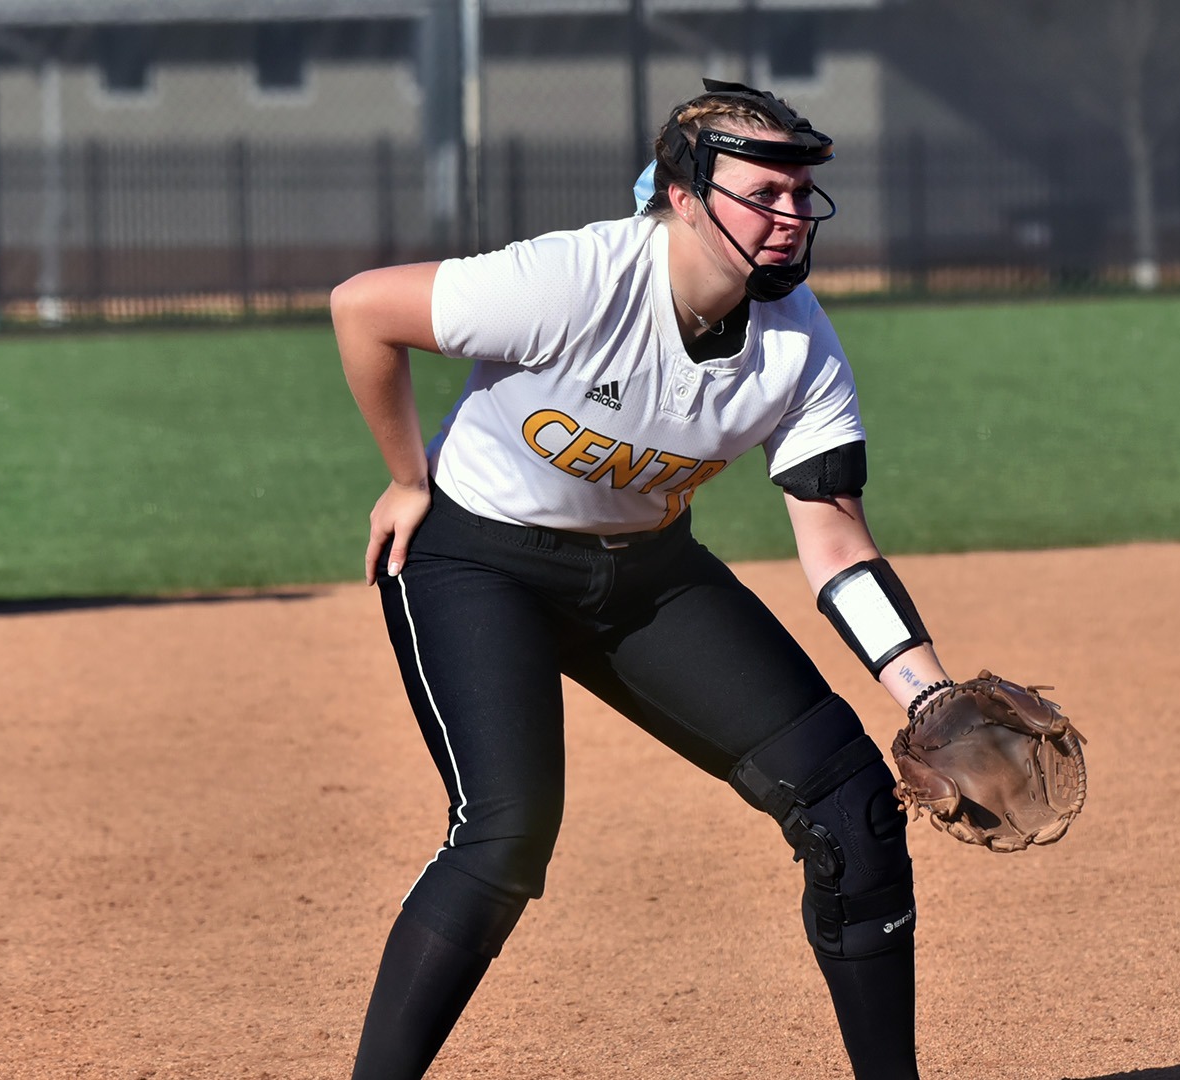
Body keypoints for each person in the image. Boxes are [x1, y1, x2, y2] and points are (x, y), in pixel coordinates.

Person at [331, 80, 950, 1079]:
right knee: (504, 835)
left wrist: (932, 697)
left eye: (801, 194)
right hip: (475, 559)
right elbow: (362, 309)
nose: (791, 214)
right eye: (764, 192)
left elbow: (835, 538)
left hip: (644, 579)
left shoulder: (799, 348)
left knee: (851, 808)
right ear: (683, 194)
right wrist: (409, 477)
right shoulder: (575, 281)